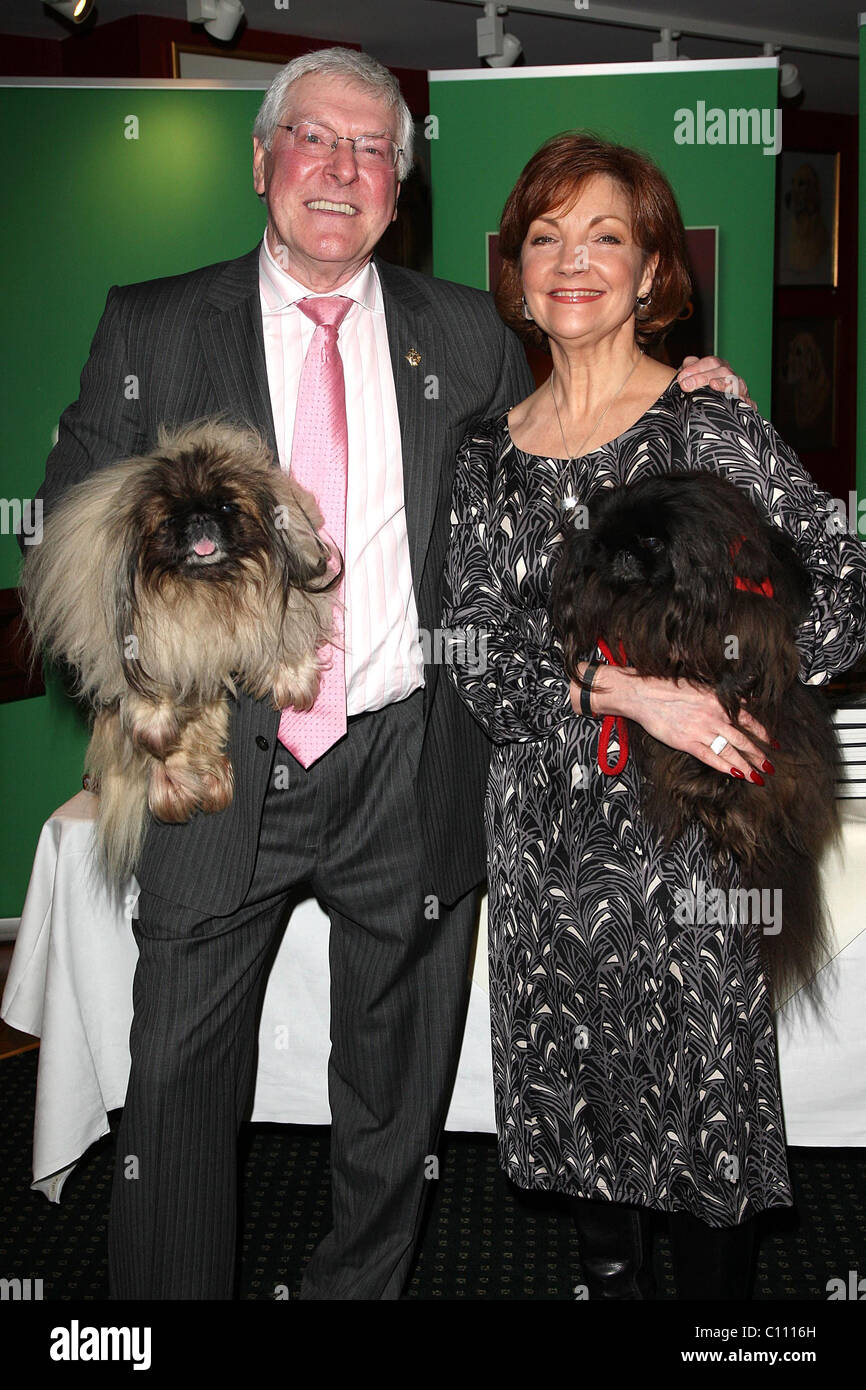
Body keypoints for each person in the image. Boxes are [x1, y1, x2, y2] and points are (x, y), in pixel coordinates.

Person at [32, 55, 745, 1301]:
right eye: (313, 139)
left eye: (373, 153)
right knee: (177, 1096)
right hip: (212, 764)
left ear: (396, 193)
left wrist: (683, 388)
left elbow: (569, 458)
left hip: (410, 758)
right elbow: (69, 545)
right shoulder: (150, 322)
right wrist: (153, 682)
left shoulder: (462, 332)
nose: (341, 169)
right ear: (263, 162)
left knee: (391, 1105)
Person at [443, 131, 866, 1300]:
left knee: (703, 1119)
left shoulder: (707, 427)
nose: (572, 261)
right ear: (516, 272)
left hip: (688, 834)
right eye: (545, 237)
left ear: (649, 273)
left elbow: (841, 600)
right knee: (582, 1129)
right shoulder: (483, 454)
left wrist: (728, 678)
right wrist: (631, 687)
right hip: (543, 839)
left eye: (604, 237)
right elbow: (479, 657)